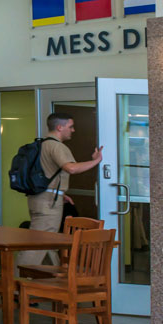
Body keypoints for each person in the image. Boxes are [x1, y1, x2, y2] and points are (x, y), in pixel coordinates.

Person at [17, 113, 102, 267]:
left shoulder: (42, 144)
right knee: (37, 244)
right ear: (59, 127)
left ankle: (51, 279)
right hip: (48, 204)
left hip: (39, 198)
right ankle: (16, 283)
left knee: (47, 241)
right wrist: (95, 160)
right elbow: (71, 168)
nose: (73, 130)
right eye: (70, 127)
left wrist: (61, 193)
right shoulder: (57, 146)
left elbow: (47, 174)